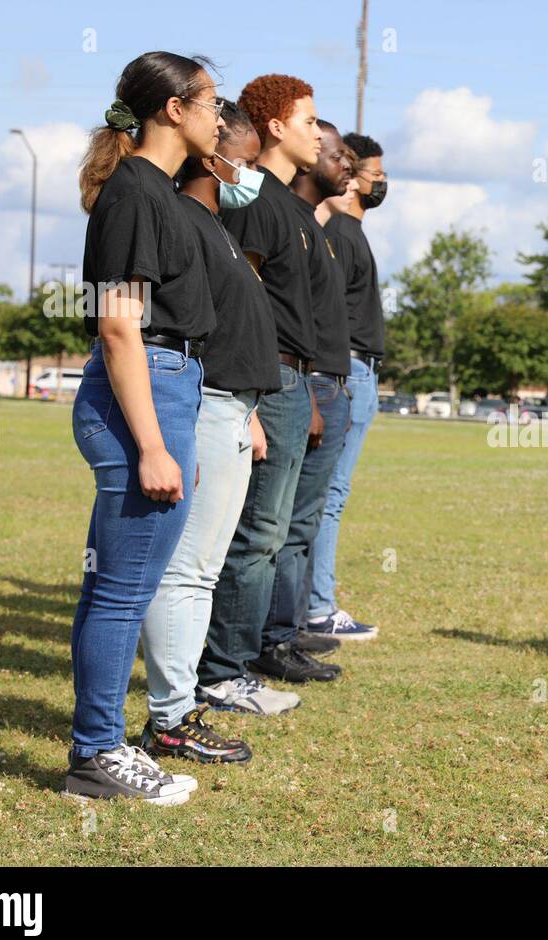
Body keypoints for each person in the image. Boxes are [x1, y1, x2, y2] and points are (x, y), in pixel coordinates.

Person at [64, 51, 222, 804]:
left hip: (169, 388)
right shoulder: (133, 193)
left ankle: (103, 747)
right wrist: (154, 443)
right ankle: (97, 754)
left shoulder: (156, 189)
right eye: (211, 103)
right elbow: (119, 329)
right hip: (143, 392)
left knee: (122, 589)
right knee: (121, 594)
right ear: (173, 109)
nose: (219, 119)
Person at [136, 103, 290, 766]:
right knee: (188, 570)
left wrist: (250, 411)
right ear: (211, 154)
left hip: (233, 409)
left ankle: (179, 706)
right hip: (208, 408)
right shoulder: (187, 221)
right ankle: (170, 717)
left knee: (203, 570)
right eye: (246, 161)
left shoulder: (217, 226)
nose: (249, 174)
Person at [197, 73, 330, 707]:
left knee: (270, 531)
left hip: (289, 379)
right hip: (265, 379)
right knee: (256, 532)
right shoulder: (257, 201)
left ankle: (235, 662)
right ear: (275, 126)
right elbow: (241, 300)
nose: (315, 132)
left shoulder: (289, 205)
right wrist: (254, 394)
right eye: (308, 120)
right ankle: (223, 670)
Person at [251, 119, 357, 676]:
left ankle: (283, 632)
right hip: (305, 385)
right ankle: (271, 641)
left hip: (323, 384)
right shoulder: (278, 211)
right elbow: (276, 317)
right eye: (336, 152)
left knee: (299, 525)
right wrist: (311, 393)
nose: (338, 160)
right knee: (278, 528)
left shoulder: (314, 223)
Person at [300, 132, 388, 642]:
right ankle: (316, 607)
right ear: (352, 177)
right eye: (375, 173)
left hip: (360, 371)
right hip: (346, 372)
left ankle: (312, 603)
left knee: (332, 494)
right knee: (328, 495)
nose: (381, 183)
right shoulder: (339, 233)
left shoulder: (351, 231)